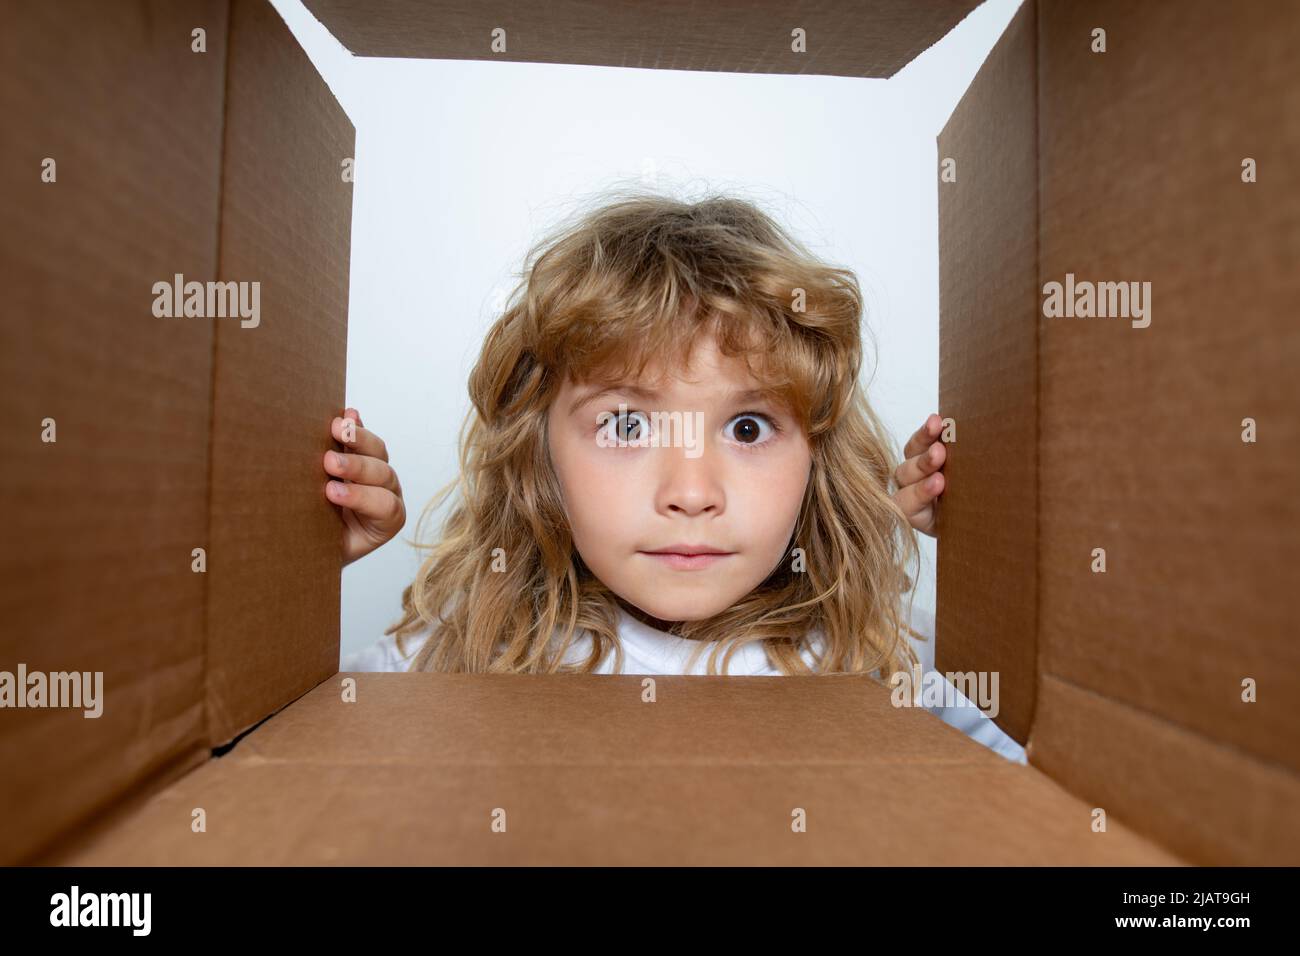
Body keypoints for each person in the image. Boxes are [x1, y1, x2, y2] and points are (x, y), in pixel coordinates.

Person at [320, 190, 1024, 764]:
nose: (691, 494)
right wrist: (306, 563)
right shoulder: (470, 646)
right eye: (627, 426)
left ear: (818, 457)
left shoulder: (882, 652)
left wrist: (990, 561)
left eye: (747, 429)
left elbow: (1044, 777)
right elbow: (273, 747)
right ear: (540, 456)